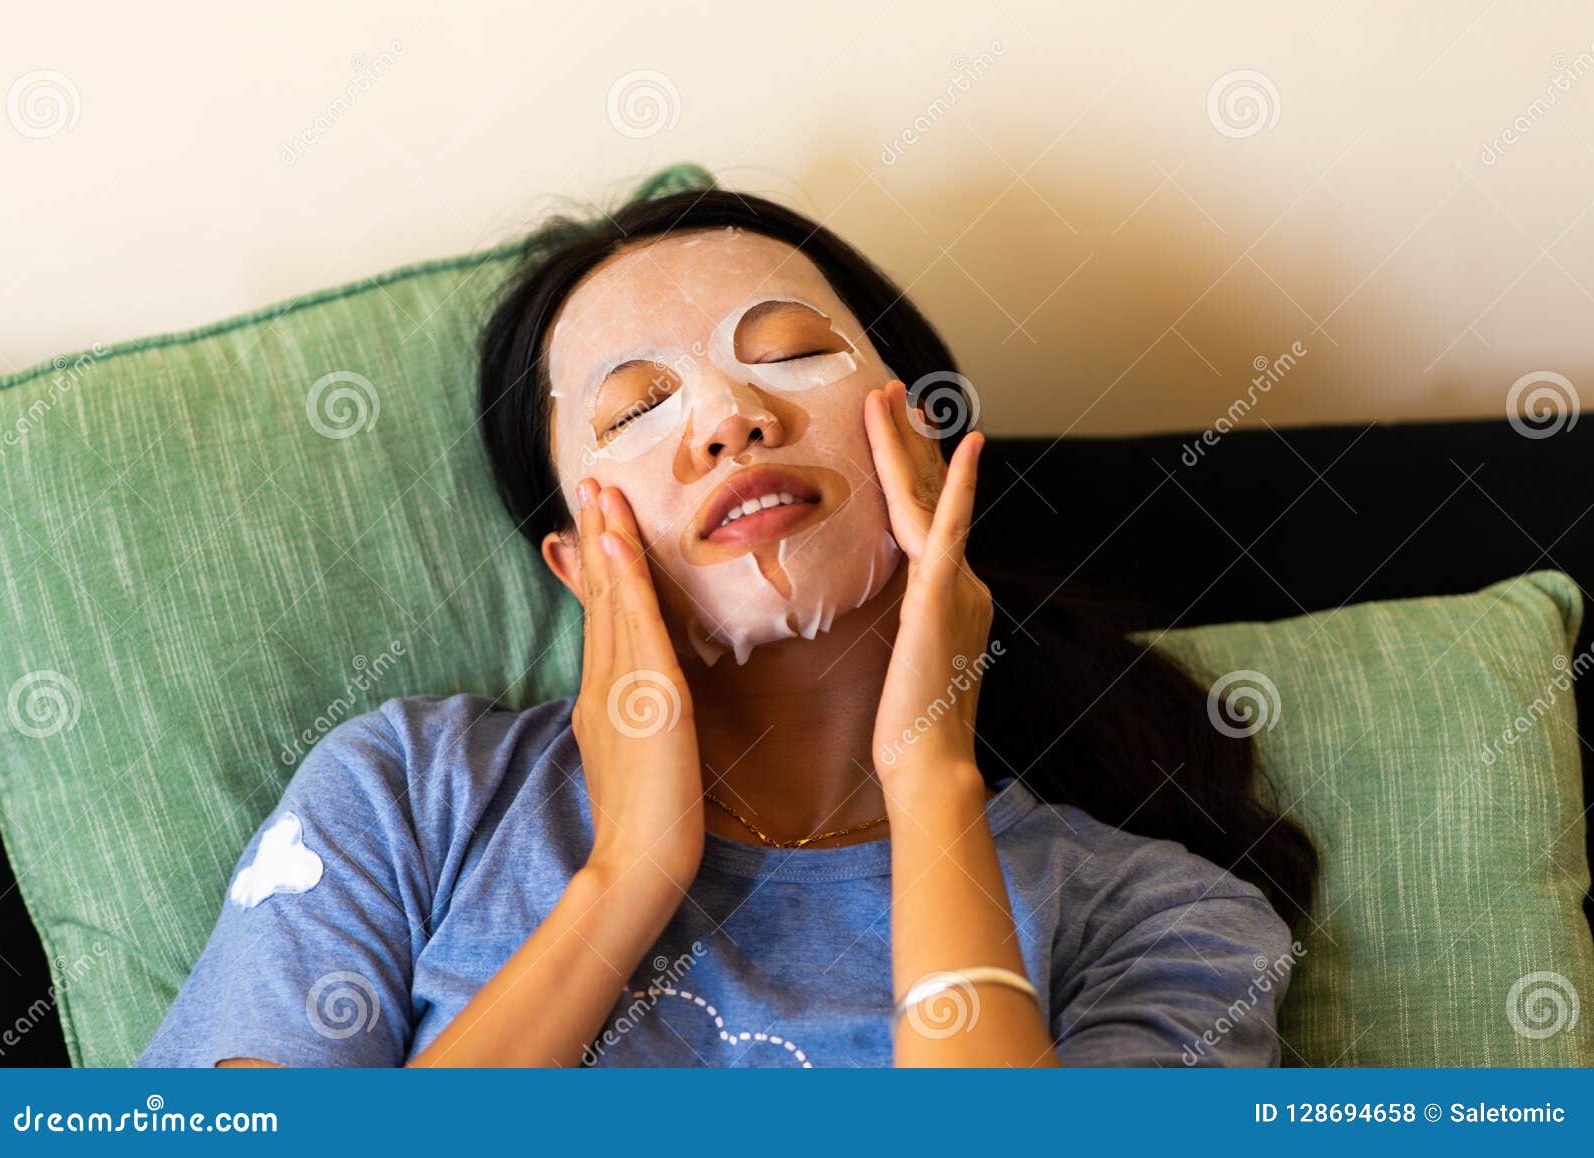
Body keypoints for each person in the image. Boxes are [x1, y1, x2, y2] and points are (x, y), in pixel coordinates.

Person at [138, 181, 1316, 1069]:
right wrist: (626, 874)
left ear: (925, 437)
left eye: (792, 353)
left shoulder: (1164, 923)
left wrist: (930, 783)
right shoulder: (411, 796)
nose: (727, 415)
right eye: (636, 408)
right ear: (576, 563)